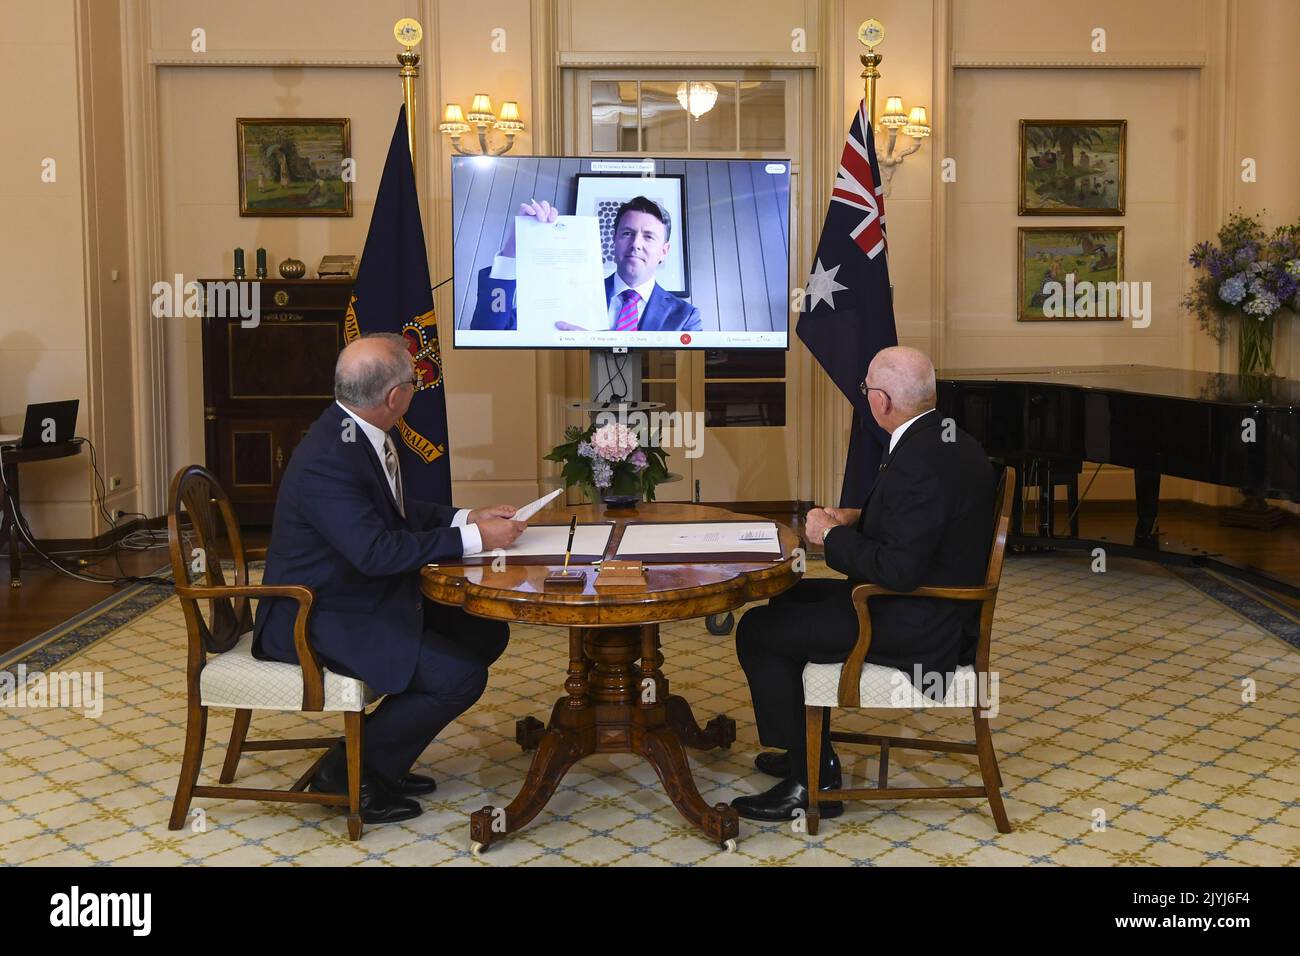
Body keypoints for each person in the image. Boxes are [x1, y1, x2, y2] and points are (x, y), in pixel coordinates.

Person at [252, 333, 527, 824]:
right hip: (316, 615)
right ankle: (349, 773)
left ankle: (383, 756)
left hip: (355, 597)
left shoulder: (352, 429)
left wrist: (466, 518)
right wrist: (478, 540)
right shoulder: (328, 458)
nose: (416, 388)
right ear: (394, 398)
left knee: (483, 630)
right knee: (460, 676)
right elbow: (376, 552)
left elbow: (395, 512)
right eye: (413, 382)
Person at [730, 346, 996, 822]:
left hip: (918, 620)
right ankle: (805, 748)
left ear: (883, 401)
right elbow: (918, 527)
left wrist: (829, 536)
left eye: (867, 390)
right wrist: (854, 518)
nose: (867, 398)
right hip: (920, 604)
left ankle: (812, 781)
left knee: (759, 631)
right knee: (787, 594)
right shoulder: (942, 439)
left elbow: (898, 570)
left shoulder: (921, 460)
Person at [468, 195, 701, 333]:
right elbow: (486, 331)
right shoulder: (568, 295)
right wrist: (513, 249)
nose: (636, 244)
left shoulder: (686, 317)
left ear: (664, 251)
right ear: (614, 240)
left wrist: (597, 346)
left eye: (648, 236)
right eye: (627, 233)